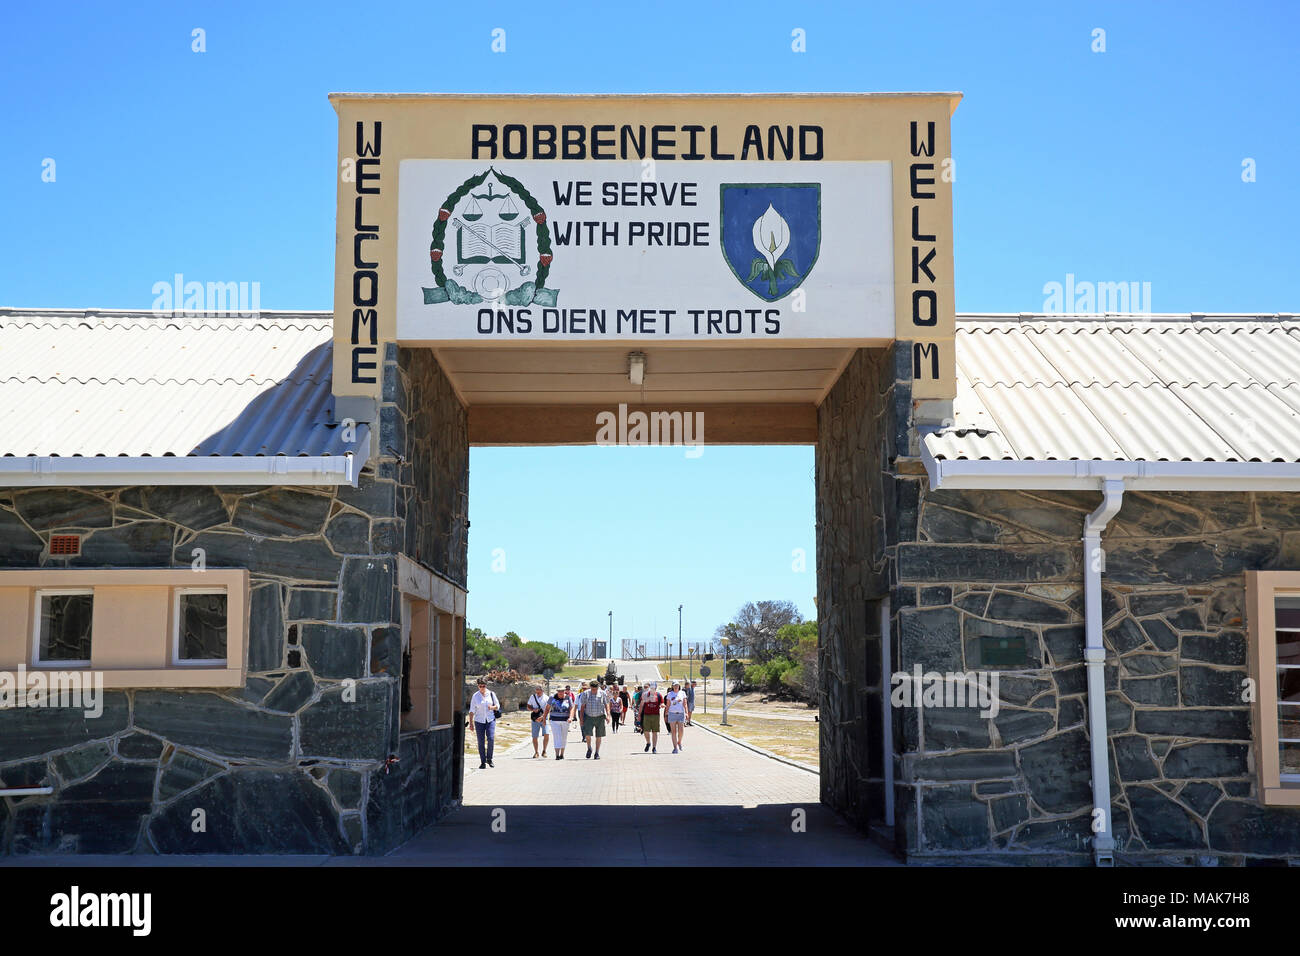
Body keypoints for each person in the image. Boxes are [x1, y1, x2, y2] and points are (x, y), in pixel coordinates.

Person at [468, 678, 500, 769]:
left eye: (484, 686)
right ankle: (482, 762)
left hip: (490, 720)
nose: (482, 688)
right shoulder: (475, 696)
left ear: (486, 685)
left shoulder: (491, 694)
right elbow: (471, 710)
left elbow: (497, 706)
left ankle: (489, 758)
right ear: (478, 686)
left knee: (491, 738)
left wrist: (492, 707)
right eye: (480, 686)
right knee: (481, 742)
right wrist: (471, 723)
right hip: (479, 721)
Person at [576, 680, 610, 758]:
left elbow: (606, 704)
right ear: (590, 687)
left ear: (598, 687)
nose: (594, 690)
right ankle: (589, 748)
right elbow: (582, 707)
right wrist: (581, 719)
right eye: (592, 689)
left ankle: (597, 752)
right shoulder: (586, 694)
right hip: (588, 716)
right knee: (587, 734)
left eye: (595, 689)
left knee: (599, 735)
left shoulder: (602, 693)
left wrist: (608, 715)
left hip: (600, 716)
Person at [544, 686, 574, 759]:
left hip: (565, 720)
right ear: (557, 691)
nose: (561, 693)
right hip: (554, 720)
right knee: (557, 737)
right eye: (559, 691)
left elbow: (571, 708)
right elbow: (547, 708)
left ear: (565, 691)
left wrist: (571, 717)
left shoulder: (568, 698)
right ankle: (557, 755)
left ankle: (562, 754)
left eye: (562, 691)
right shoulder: (552, 698)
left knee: (564, 737)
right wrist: (544, 718)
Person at [639, 682, 664, 754]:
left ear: (656, 688)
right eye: (651, 688)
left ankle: (654, 747)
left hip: (656, 715)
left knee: (654, 732)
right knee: (646, 731)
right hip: (647, 715)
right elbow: (641, 705)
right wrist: (639, 715)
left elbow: (662, 703)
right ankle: (648, 742)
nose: (653, 689)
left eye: (654, 688)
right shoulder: (645, 695)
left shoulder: (658, 695)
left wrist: (662, 705)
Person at [526, 684, 551, 758]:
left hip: (544, 718)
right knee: (534, 736)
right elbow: (528, 706)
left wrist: (542, 717)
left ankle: (544, 751)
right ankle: (536, 752)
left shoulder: (547, 698)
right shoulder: (532, 697)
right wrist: (533, 709)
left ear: (542, 691)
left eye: (539, 692)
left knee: (546, 734)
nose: (537, 693)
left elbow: (548, 709)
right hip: (535, 719)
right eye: (536, 692)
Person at [665, 681, 688, 753]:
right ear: (672, 686)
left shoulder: (682, 693)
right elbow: (668, 705)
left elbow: (685, 703)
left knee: (681, 730)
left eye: (677, 685)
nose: (676, 687)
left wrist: (686, 713)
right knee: (673, 731)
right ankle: (675, 748)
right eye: (674, 685)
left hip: (681, 713)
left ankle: (679, 742)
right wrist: (666, 714)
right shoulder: (670, 694)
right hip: (672, 713)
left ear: (679, 686)